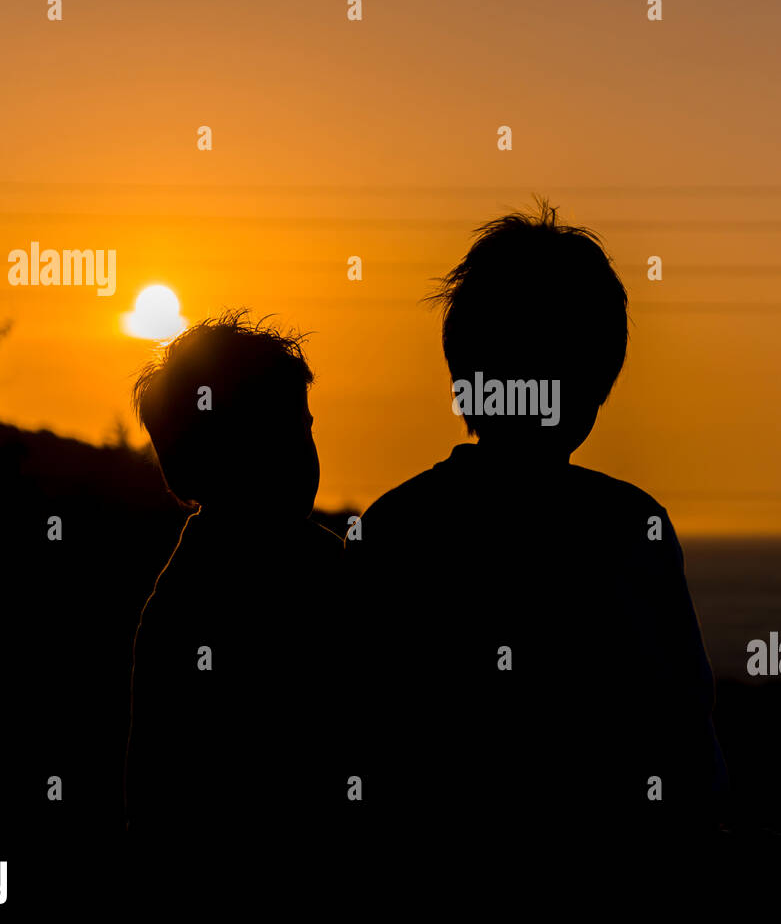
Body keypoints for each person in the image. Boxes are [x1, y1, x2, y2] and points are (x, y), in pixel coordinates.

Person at [348, 202, 726, 834]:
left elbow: (359, 743)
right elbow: (686, 737)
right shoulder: (634, 528)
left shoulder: (393, 528)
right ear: (602, 382)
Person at [124, 311, 347, 846]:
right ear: (234, 452)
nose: (304, 450)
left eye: (305, 428)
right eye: (287, 431)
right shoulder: (183, 612)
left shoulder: (329, 568)